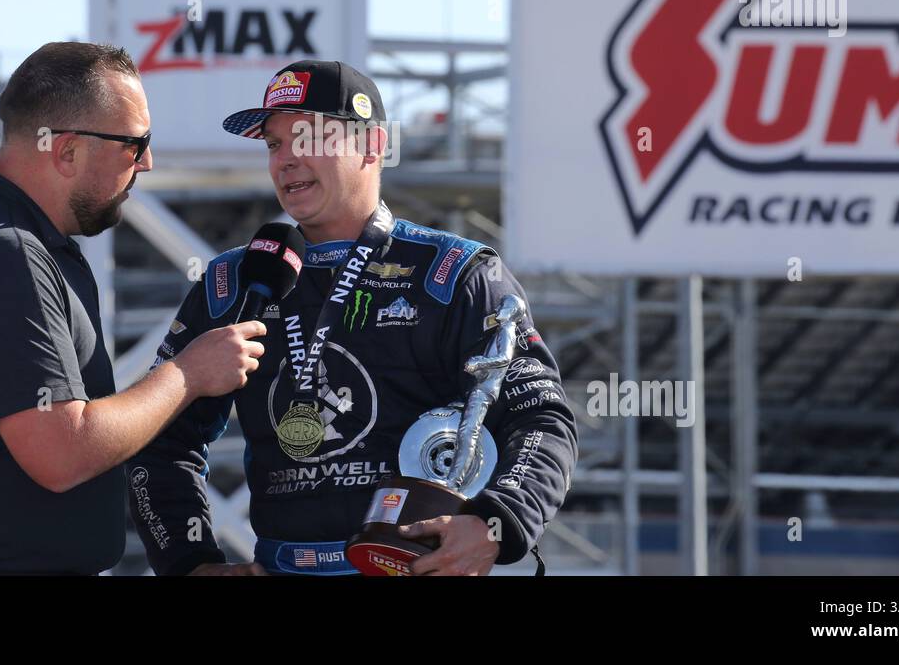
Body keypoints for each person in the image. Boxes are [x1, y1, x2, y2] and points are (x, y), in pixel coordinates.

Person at [128, 59, 577, 576]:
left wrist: (498, 523)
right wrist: (190, 563)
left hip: (412, 566)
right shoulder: (234, 281)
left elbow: (541, 418)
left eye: (308, 137)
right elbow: (161, 439)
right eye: (274, 145)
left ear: (372, 144)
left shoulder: (456, 273)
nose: (286, 161)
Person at [0, 42, 265, 574]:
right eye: (135, 144)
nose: (147, 162)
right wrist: (189, 374)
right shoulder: (3, 251)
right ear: (67, 151)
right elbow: (62, 453)